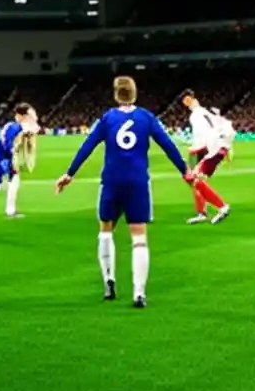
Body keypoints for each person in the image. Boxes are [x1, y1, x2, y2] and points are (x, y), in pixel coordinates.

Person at [56, 76, 193, 308]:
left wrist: (69, 173)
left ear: (116, 95)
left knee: (106, 229)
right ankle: (139, 293)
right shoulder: (146, 118)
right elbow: (167, 145)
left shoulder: (108, 118)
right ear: (135, 93)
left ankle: (109, 282)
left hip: (112, 182)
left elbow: (87, 145)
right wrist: (184, 171)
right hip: (137, 182)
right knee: (139, 237)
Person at [182, 91, 232, 224]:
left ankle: (222, 207)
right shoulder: (205, 112)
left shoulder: (195, 116)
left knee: (195, 179)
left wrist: (194, 151)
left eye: (187, 100)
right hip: (220, 148)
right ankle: (202, 213)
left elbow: (203, 137)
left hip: (213, 150)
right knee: (197, 180)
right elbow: (224, 126)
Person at [0, 103, 39, 218]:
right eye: (29, 115)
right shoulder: (14, 127)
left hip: (3, 157)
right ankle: (9, 208)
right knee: (9, 181)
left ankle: (10, 210)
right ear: (22, 116)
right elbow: (7, 144)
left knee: (14, 180)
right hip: (0, 158)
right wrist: (15, 155)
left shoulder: (16, 127)